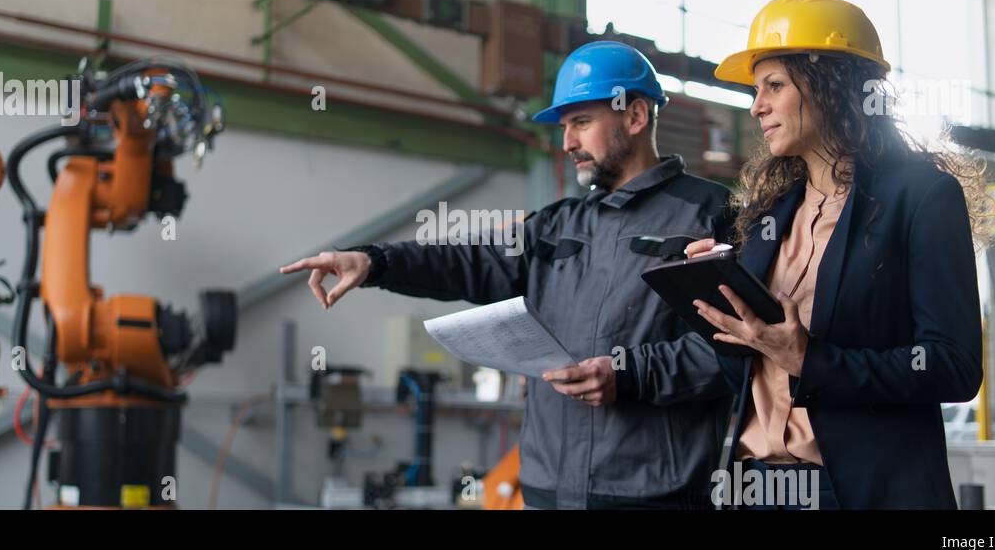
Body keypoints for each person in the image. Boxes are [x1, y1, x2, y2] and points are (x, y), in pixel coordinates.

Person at [281, 41, 734, 509]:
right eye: (564, 128)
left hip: (652, 494)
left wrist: (631, 374)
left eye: (581, 123)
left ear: (635, 116)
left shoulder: (711, 216)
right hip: (546, 489)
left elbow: (734, 347)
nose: (567, 143)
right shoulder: (557, 226)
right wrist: (375, 261)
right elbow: (469, 261)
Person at [689, 0, 990, 509]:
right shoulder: (770, 214)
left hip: (858, 490)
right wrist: (718, 296)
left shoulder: (921, 196)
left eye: (774, 86)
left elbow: (953, 366)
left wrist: (812, 360)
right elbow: (747, 368)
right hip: (756, 485)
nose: (757, 105)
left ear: (832, 85)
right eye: (756, 89)